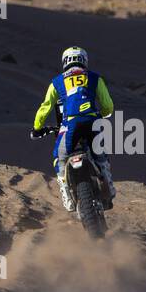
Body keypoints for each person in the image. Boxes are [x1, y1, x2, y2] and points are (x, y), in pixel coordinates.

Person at [30, 46, 116, 212]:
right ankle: (109, 186)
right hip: (93, 121)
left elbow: (46, 106)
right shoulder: (94, 78)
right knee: (101, 155)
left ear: (65, 62)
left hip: (70, 124)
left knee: (59, 157)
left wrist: (37, 128)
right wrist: (104, 114)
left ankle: (67, 196)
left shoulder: (57, 82)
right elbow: (108, 105)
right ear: (84, 60)